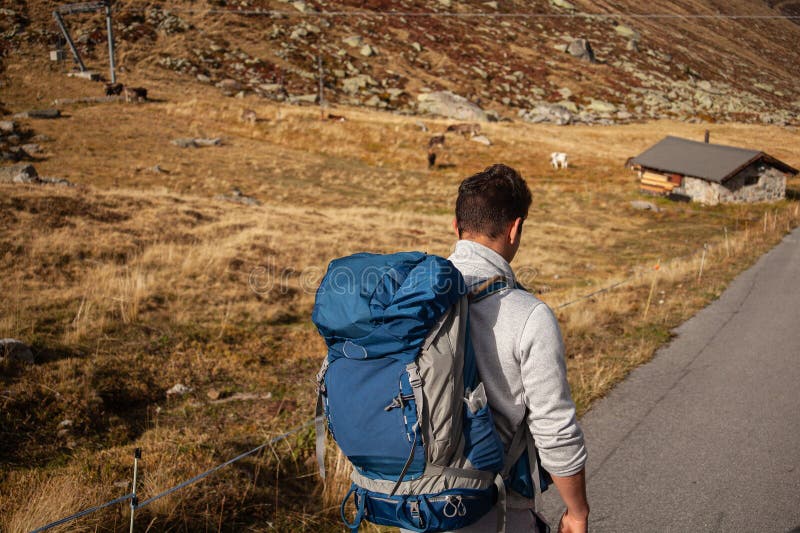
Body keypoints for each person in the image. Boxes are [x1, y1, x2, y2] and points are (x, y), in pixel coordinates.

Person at [447, 164, 589, 533]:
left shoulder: (413, 301)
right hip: (493, 511)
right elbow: (554, 430)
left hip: (415, 505)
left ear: (456, 226)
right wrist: (576, 512)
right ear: (515, 228)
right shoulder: (529, 315)